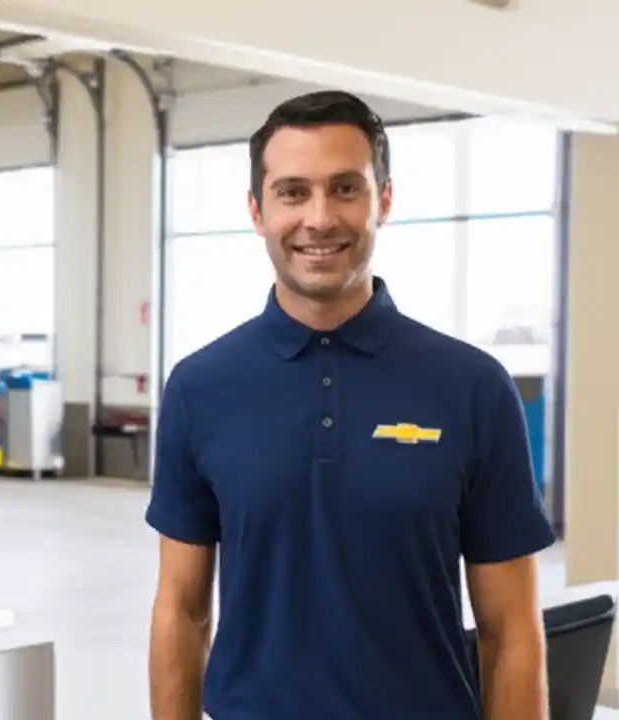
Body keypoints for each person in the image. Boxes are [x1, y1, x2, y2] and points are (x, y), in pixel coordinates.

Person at [146, 90, 556, 720]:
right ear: (257, 211)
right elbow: (181, 609)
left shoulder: (472, 386)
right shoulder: (199, 388)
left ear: (383, 201)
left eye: (345, 189)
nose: (319, 218)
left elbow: (511, 631)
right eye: (292, 192)